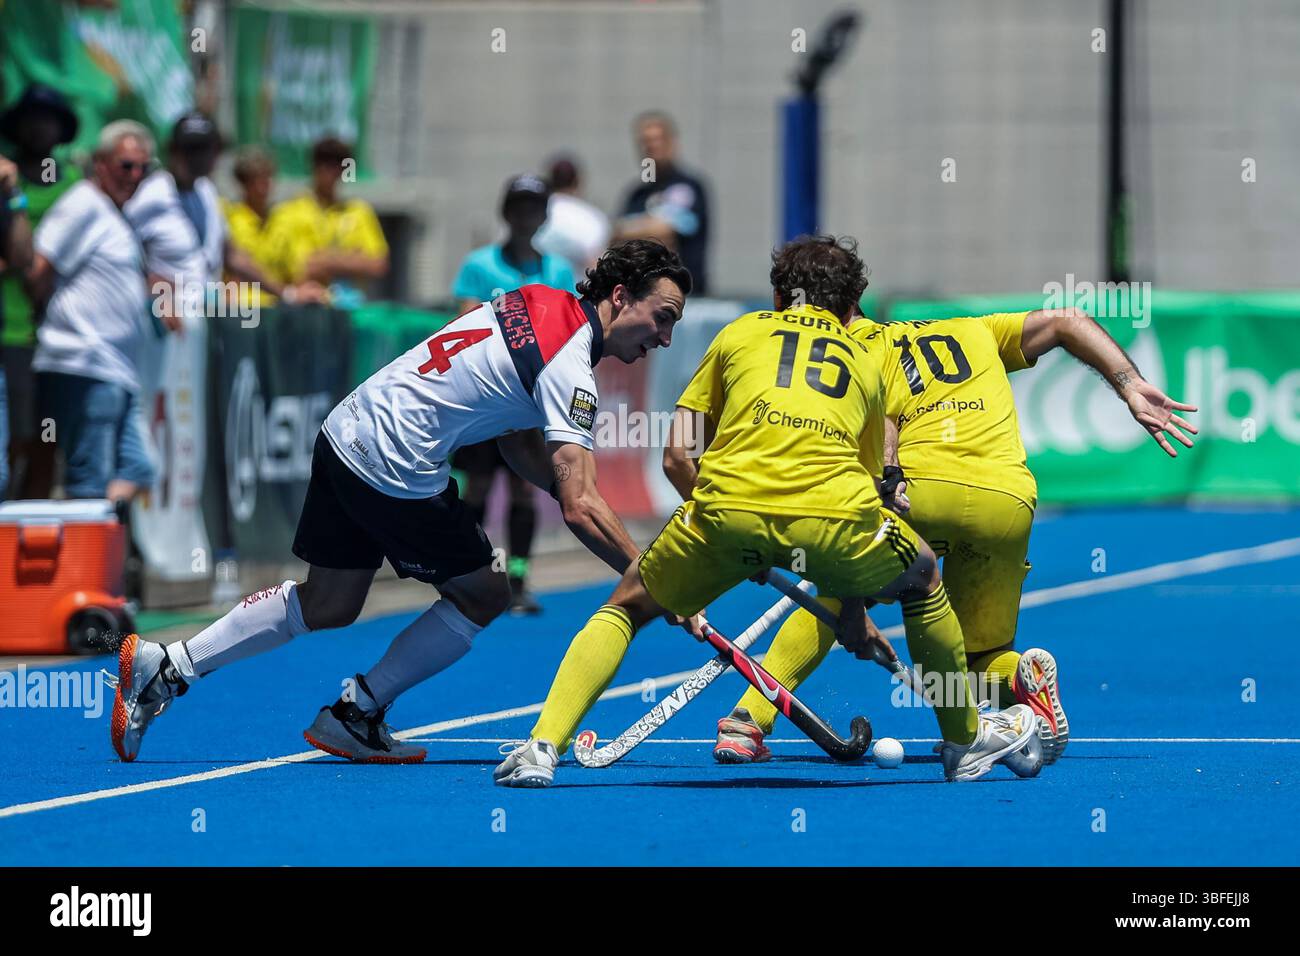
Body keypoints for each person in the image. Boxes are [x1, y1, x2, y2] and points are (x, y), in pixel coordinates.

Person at [109, 240, 691, 765]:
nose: (663, 339)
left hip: (346, 431)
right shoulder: (571, 365)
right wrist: (659, 581)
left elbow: (517, 442)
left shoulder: (540, 300)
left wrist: (563, 486)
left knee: (330, 601)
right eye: (661, 319)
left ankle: (171, 664)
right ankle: (356, 712)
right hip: (397, 466)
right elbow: (582, 506)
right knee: (486, 592)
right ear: (620, 297)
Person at [495, 236, 1040, 788]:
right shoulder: (869, 365)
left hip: (724, 508)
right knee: (922, 574)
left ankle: (541, 749)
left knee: (629, 603)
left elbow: (677, 455)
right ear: (851, 305)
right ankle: (965, 744)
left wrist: (732, 536)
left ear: (780, 294)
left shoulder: (741, 333)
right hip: (833, 518)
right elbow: (869, 490)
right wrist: (851, 610)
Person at [710, 306, 1198, 766]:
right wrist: (1130, 385)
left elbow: (885, 421)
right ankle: (1020, 678)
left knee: (835, 591)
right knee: (981, 657)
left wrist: (885, 481)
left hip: (921, 491)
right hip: (1006, 500)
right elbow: (1067, 320)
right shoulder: (977, 329)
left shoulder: (847, 348)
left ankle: (749, 719)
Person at [451, 173, 579, 614]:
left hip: (530, 398)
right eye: (519, 205)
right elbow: (463, 326)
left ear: (543, 215)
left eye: (534, 207)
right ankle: (468, 573)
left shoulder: (558, 270)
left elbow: (567, 332)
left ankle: (518, 577)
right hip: (487, 396)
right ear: (506, 211)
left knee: (525, 487)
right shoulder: (479, 264)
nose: (526, 215)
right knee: (479, 486)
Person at [25, 121, 154, 502]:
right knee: (89, 479)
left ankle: (89, 538)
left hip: (116, 369)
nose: (134, 176)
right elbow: (37, 270)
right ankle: (84, 554)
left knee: (139, 467)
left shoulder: (114, 214)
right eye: (125, 165)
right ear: (100, 164)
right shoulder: (82, 204)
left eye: (142, 168)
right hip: (84, 363)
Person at [0, 84, 79, 500]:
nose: (39, 127)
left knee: (49, 438)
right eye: (30, 117)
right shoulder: (5, 177)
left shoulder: (77, 185)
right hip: (13, 329)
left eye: (48, 118)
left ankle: (32, 513)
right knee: (15, 435)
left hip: (64, 333)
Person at [263, 135, 389, 298]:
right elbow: (298, 271)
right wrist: (352, 259)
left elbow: (378, 265)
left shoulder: (359, 211)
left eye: (339, 164)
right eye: (326, 163)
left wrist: (328, 261)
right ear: (314, 166)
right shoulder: (288, 212)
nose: (333, 170)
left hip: (349, 309)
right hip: (304, 307)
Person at [616, 112, 710, 294]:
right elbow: (615, 236)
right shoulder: (637, 194)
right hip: (640, 294)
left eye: (657, 140)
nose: (651, 147)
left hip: (684, 295)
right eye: (645, 141)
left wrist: (632, 230)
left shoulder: (688, 187)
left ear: (672, 143)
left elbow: (663, 231)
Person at [0, 149, 34, 502]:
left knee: (3, 471)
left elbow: (23, 258)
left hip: (8, 339)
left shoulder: (5, 186)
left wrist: (14, 196)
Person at [535, 155, 611, 276]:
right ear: (577, 181)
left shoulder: (530, 213)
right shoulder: (593, 218)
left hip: (531, 291)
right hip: (576, 292)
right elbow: (596, 266)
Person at [222, 145, 280, 303]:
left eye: (267, 178)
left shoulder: (281, 219)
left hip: (277, 307)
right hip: (240, 308)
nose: (263, 187)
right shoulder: (228, 217)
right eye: (255, 180)